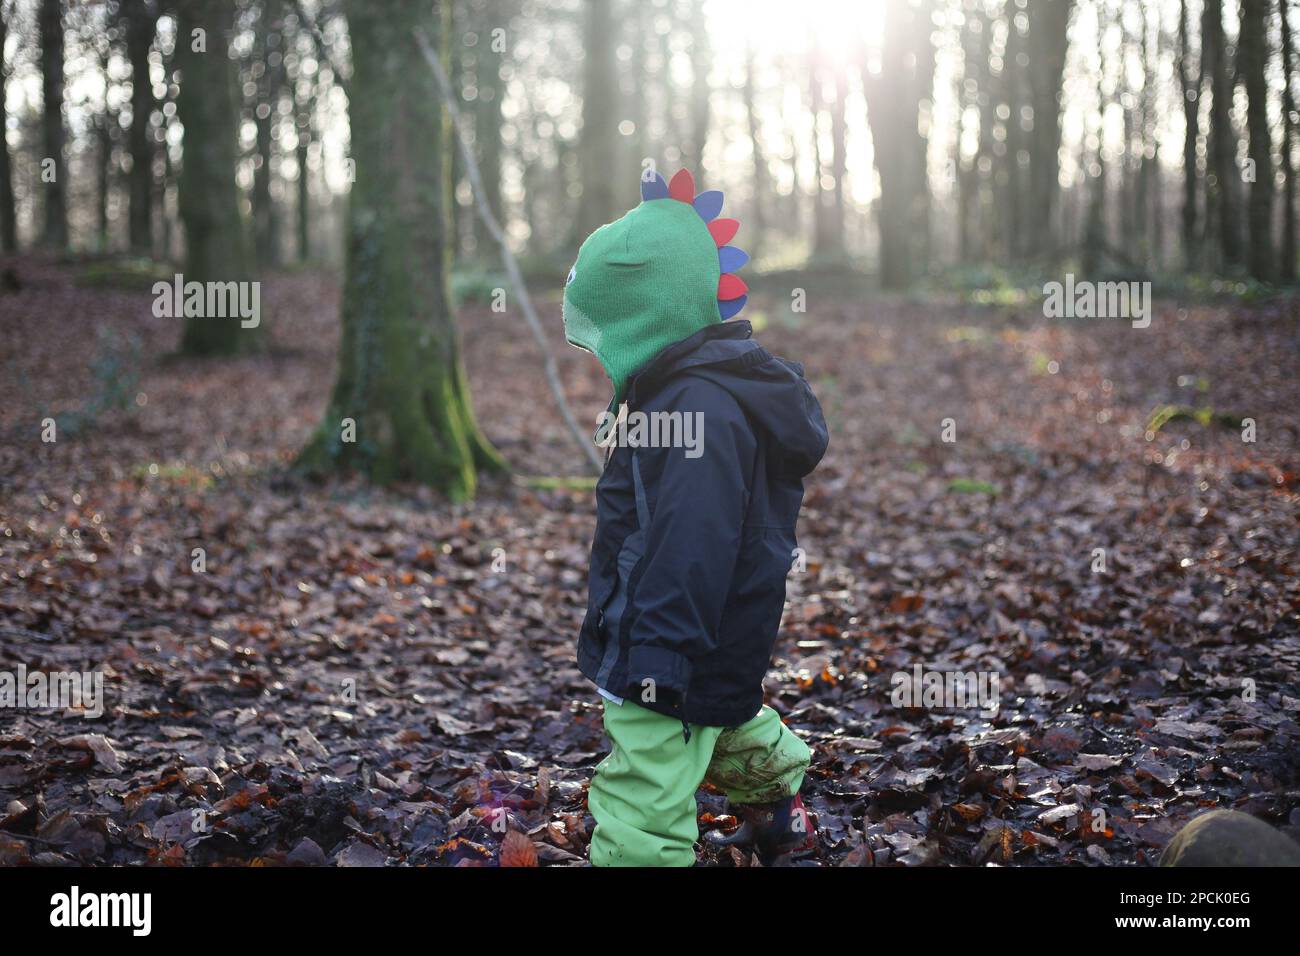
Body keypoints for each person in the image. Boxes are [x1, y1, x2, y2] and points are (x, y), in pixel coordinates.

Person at [562, 166, 829, 866]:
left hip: (672, 644)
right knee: (728, 716)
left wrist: (657, 658)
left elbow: (690, 545)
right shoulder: (699, 393)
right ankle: (780, 814)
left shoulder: (695, 411)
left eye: (608, 330)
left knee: (643, 794)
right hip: (711, 640)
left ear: (648, 319)